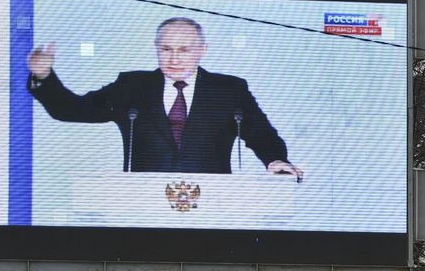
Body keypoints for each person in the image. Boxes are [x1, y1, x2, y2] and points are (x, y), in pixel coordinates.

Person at [27, 17, 303, 178]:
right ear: (156, 48)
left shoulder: (229, 90)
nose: (174, 58)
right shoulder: (132, 86)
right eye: (166, 49)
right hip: (142, 206)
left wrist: (275, 160)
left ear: (203, 50)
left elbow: (262, 134)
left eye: (184, 50)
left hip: (214, 205)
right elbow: (72, 109)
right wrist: (43, 76)